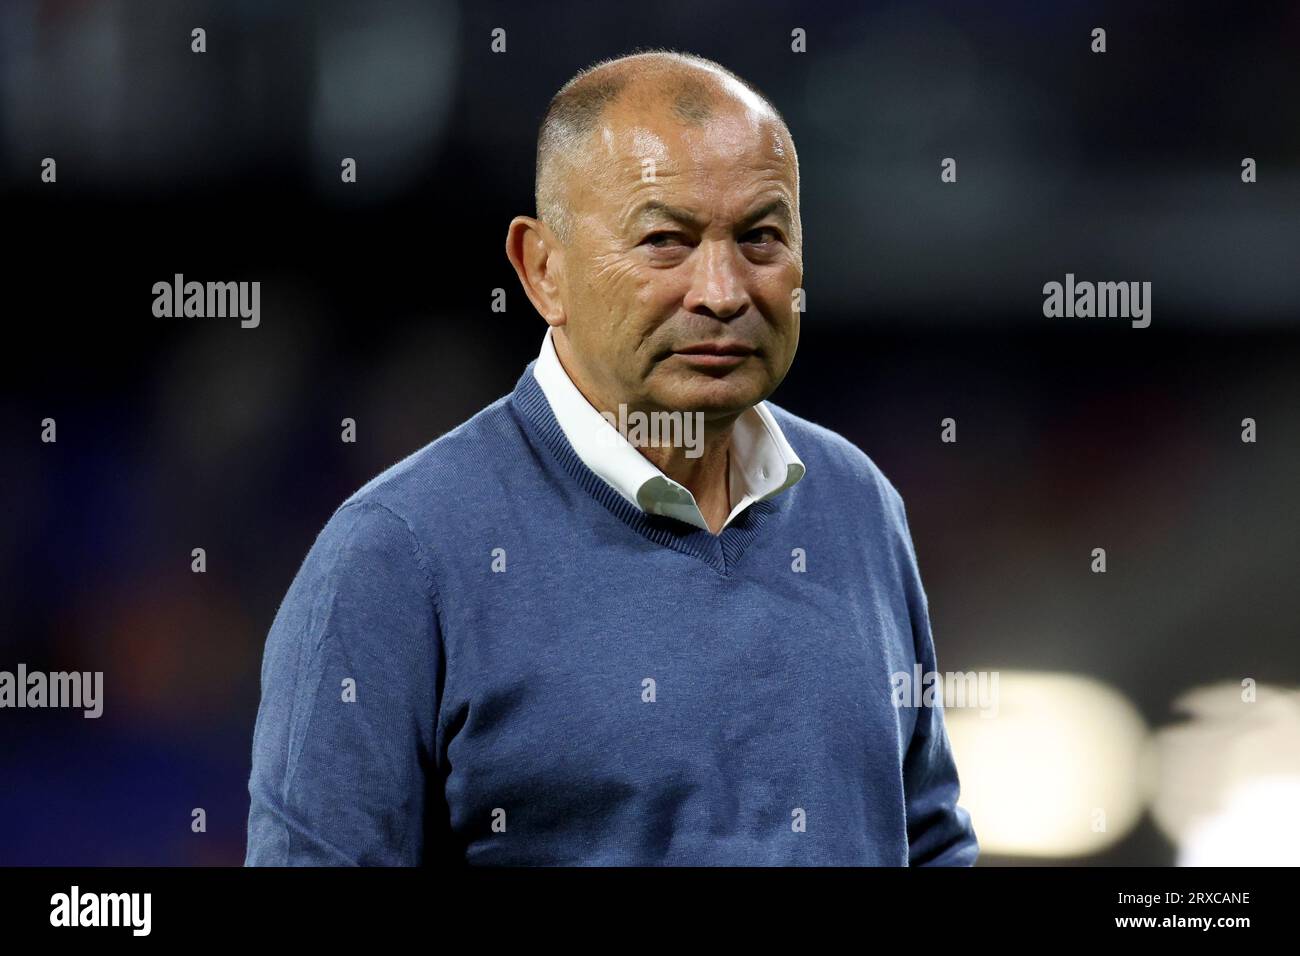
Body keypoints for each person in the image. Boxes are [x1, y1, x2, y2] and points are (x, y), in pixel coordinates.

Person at [244, 48, 978, 866]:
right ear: (542, 268)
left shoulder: (858, 503)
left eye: (761, 238)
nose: (724, 290)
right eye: (666, 240)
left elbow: (930, 839)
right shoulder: (396, 554)